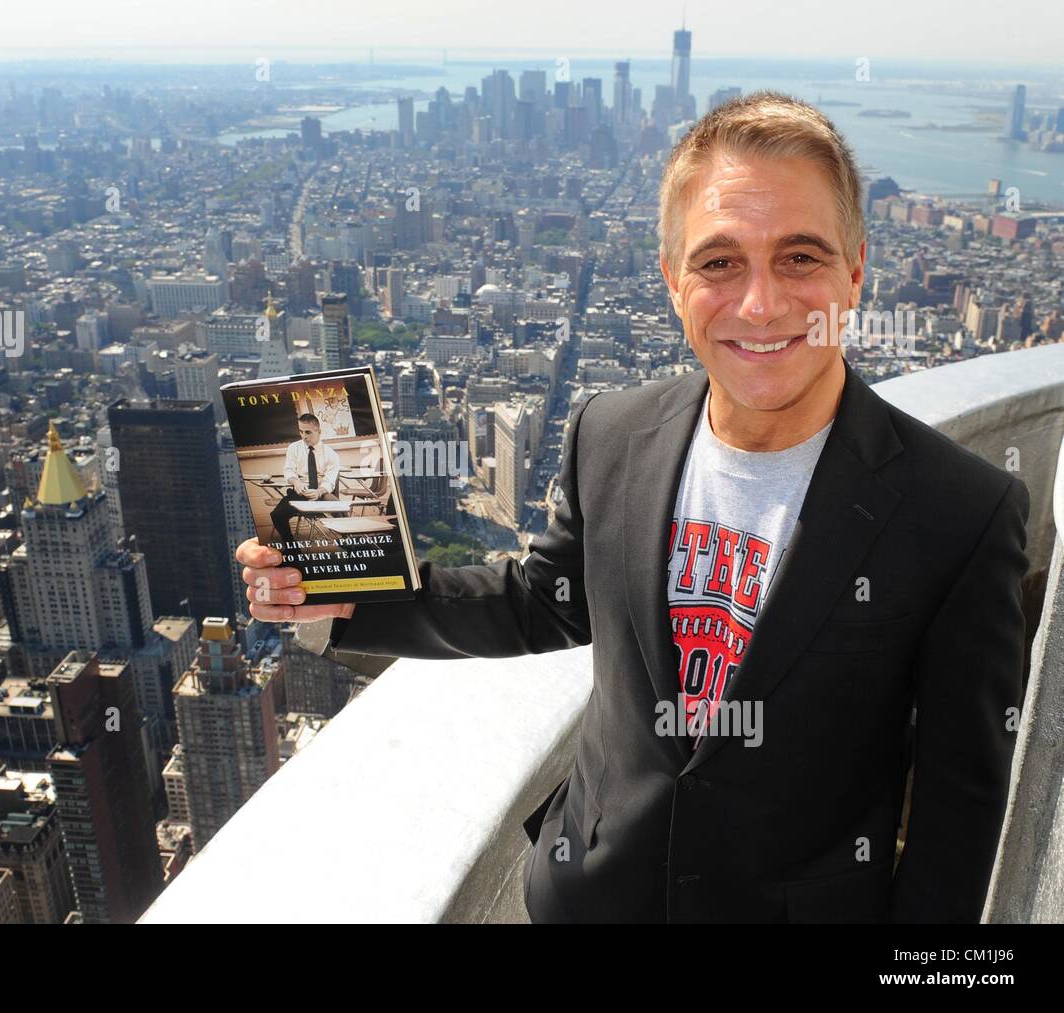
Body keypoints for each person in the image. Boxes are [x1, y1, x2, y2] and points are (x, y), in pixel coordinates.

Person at [236, 92, 1030, 923]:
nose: (760, 303)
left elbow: (957, 821)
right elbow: (542, 601)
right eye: (719, 261)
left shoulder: (961, 515)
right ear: (672, 281)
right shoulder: (609, 434)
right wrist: (340, 600)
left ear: (856, 272)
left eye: (801, 257)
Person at [269, 413, 341, 547]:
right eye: (301, 431)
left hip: (322, 494)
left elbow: (329, 481)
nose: (303, 436)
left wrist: (319, 492)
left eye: (308, 432)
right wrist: (296, 483)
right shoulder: (294, 448)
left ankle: (351, 546)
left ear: (318, 431)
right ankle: (292, 549)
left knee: (341, 509)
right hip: (300, 493)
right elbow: (288, 470)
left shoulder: (331, 454)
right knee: (277, 515)